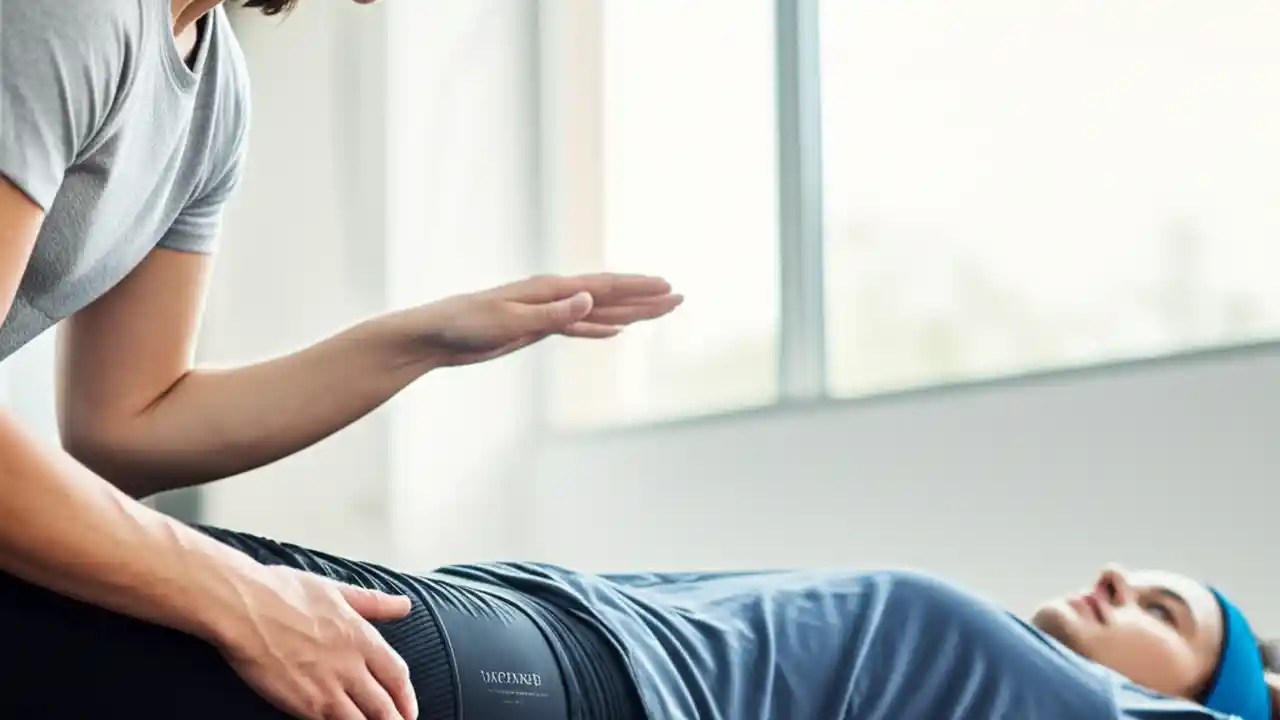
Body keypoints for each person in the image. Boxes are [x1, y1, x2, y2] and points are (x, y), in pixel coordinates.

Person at [0, 1, 680, 719]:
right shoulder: (77, 14)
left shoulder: (215, 90)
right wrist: (242, 596)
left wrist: (421, 341)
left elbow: (124, 429)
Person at [0, 524, 1273, 719]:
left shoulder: (1091, 710)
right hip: (475, 611)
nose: (1118, 583)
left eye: (1164, 616)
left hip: (523, 679)